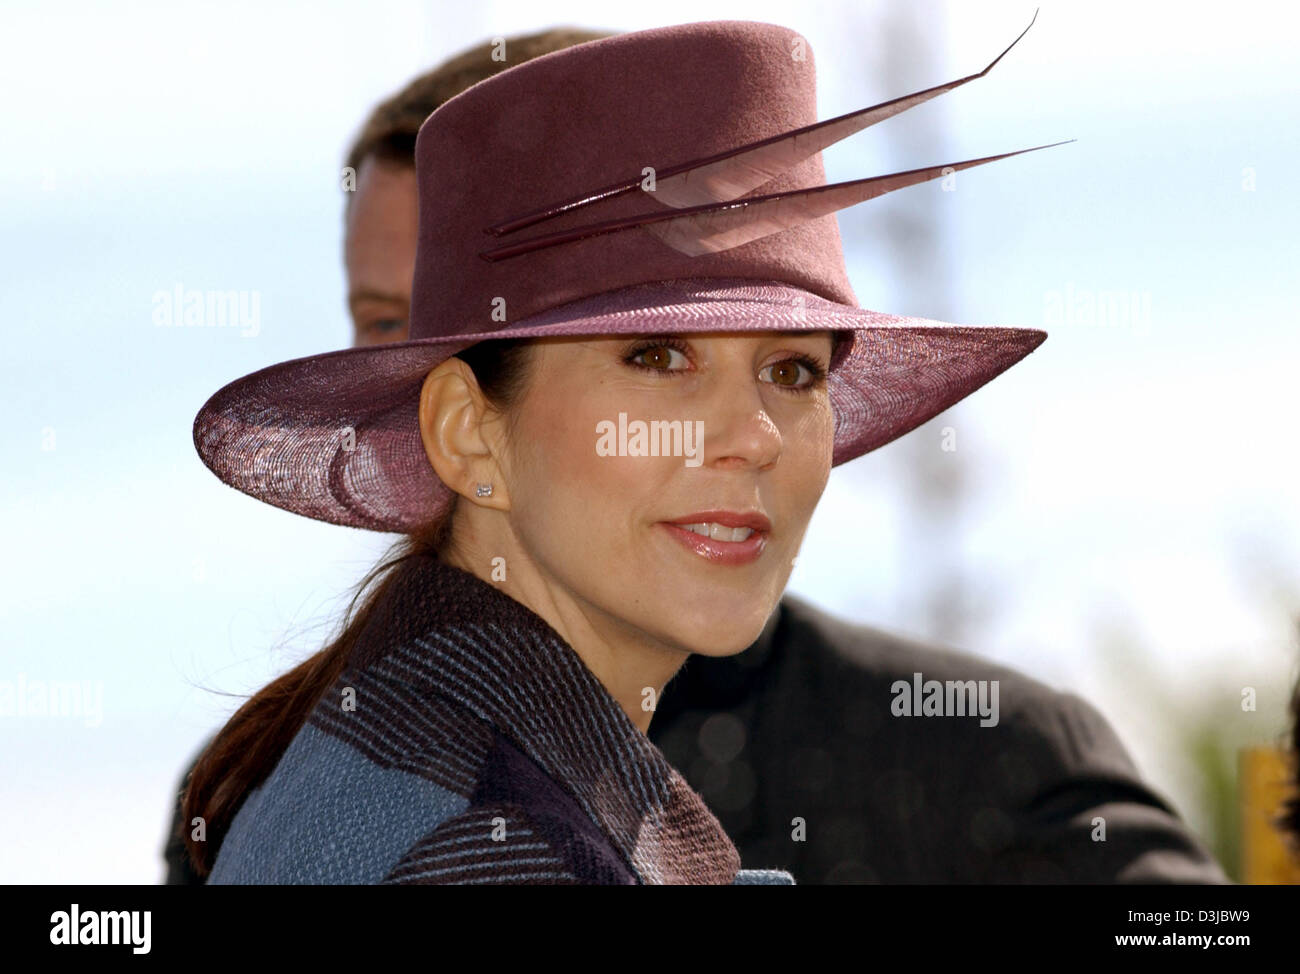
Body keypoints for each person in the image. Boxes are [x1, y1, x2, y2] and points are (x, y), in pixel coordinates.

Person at [168, 20, 1229, 884]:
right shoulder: (486, 838)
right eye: (657, 355)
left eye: (795, 371)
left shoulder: (407, 750)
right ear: (466, 427)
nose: (752, 436)